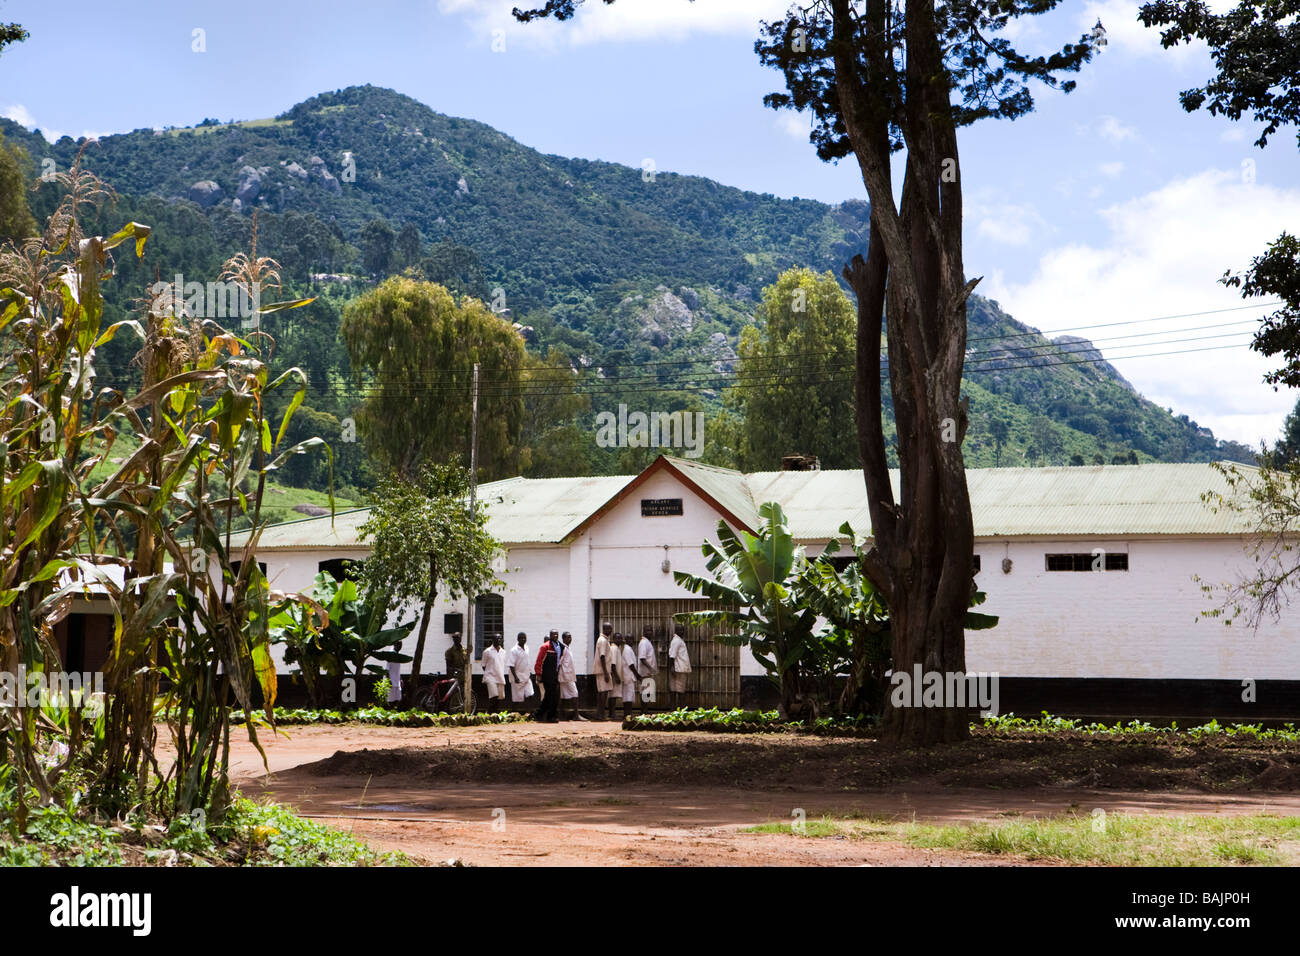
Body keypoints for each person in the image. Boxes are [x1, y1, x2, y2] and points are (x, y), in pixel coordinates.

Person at [534, 629, 561, 723]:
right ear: (550, 636)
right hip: (546, 675)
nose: (555, 636)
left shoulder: (558, 647)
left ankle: (540, 714)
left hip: (555, 675)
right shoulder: (545, 647)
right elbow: (539, 661)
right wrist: (538, 674)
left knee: (552, 696)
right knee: (550, 695)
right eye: (553, 635)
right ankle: (549, 716)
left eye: (557, 634)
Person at [504, 632, 534, 710]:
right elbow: (511, 665)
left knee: (530, 694)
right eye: (521, 638)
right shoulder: (514, 650)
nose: (523, 639)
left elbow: (527, 661)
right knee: (517, 699)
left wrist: (530, 671)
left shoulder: (527, 648)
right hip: (517, 677)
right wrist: (516, 677)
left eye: (524, 638)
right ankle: (512, 713)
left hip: (526, 676)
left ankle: (530, 712)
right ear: (517, 639)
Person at [558, 631, 583, 721]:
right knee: (574, 693)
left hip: (568, 675)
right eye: (567, 637)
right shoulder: (563, 649)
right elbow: (559, 663)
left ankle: (562, 715)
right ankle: (576, 715)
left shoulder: (568, 648)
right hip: (566, 676)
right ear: (563, 639)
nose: (569, 639)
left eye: (570, 637)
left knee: (563, 695)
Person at [593, 622, 616, 720]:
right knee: (603, 692)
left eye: (611, 629)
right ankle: (601, 715)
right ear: (604, 629)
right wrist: (606, 672)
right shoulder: (603, 640)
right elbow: (602, 656)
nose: (610, 631)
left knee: (602, 692)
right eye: (608, 629)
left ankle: (600, 714)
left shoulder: (604, 640)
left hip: (603, 670)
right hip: (603, 671)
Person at [667, 624, 691, 709]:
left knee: (675, 690)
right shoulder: (677, 641)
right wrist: (672, 667)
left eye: (683, 630)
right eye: (680, 630)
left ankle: (674, 710)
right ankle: (679, 710)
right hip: (678, 669)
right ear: (676, 631)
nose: (682, 632)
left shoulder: (678, 640)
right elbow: (672, 655)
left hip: (678, 669)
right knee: (680, 691)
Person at [481, 633, 506, 711]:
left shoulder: (503, 652)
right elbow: (483, 665)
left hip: (500, 676)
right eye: (497, 638)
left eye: (500, 638)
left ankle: (495, 714)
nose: (499, 640)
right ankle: (489, 712)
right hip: (490, 677)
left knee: (499, 697)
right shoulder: (487, 651)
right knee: (494, 696)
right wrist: (490, 671)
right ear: (493, 640)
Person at [617, 631, 639, 718]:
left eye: (632, 639)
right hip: (628, 676)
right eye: (630, 639)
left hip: (629, 676)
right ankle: (627, 714)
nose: (632, 641)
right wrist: (637, 674)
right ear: (626, 640)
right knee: (628, 696)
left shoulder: (628, 649)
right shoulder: (627, 650)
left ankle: (628, 714)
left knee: (628, 696)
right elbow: (631, 665)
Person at [637, 625, 658, 705]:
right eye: (648, 631)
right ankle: (643, 710)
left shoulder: (647, 642)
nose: (650, 632)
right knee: (645, 693)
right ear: (644, 632)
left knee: (648, 693)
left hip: (648, 673)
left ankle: (645, 710)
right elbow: (642, 658)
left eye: (651, 631)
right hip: (645, 673)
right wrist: (650, 668)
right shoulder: (643, 642)